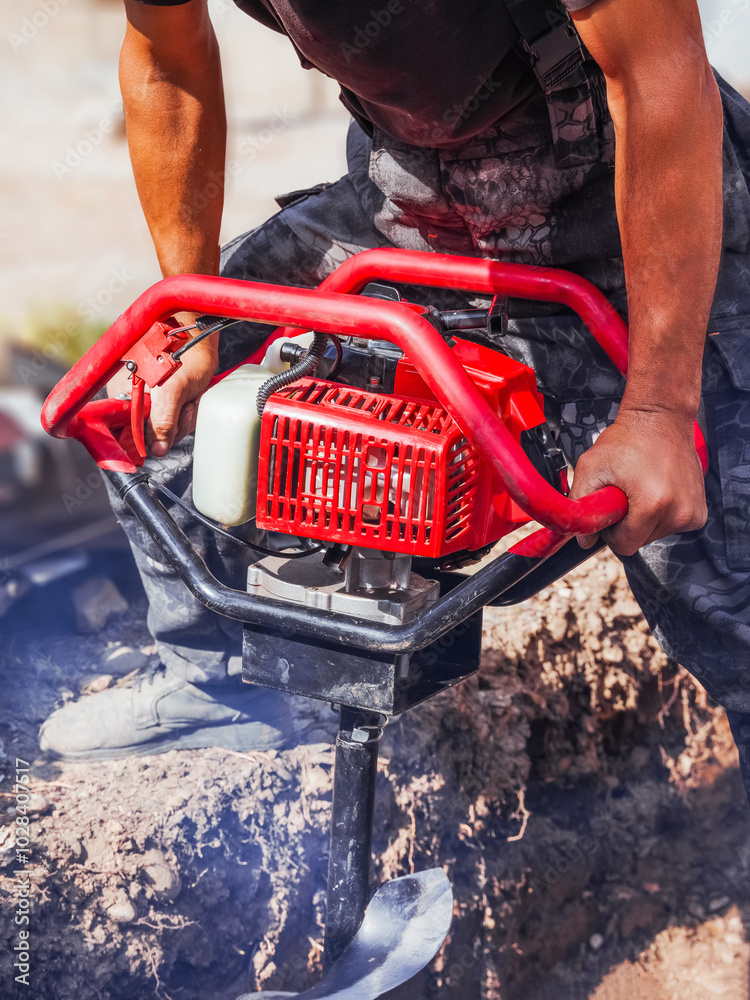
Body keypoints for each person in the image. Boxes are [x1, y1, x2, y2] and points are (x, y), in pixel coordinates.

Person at [38, 0, 750, 802]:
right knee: (149, 411)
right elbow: (166, 59)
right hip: (409, 202)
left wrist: (659, 411)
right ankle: (214, 685)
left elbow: (658, 80)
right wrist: (190, 318)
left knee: (721, 569)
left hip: (623, 207)